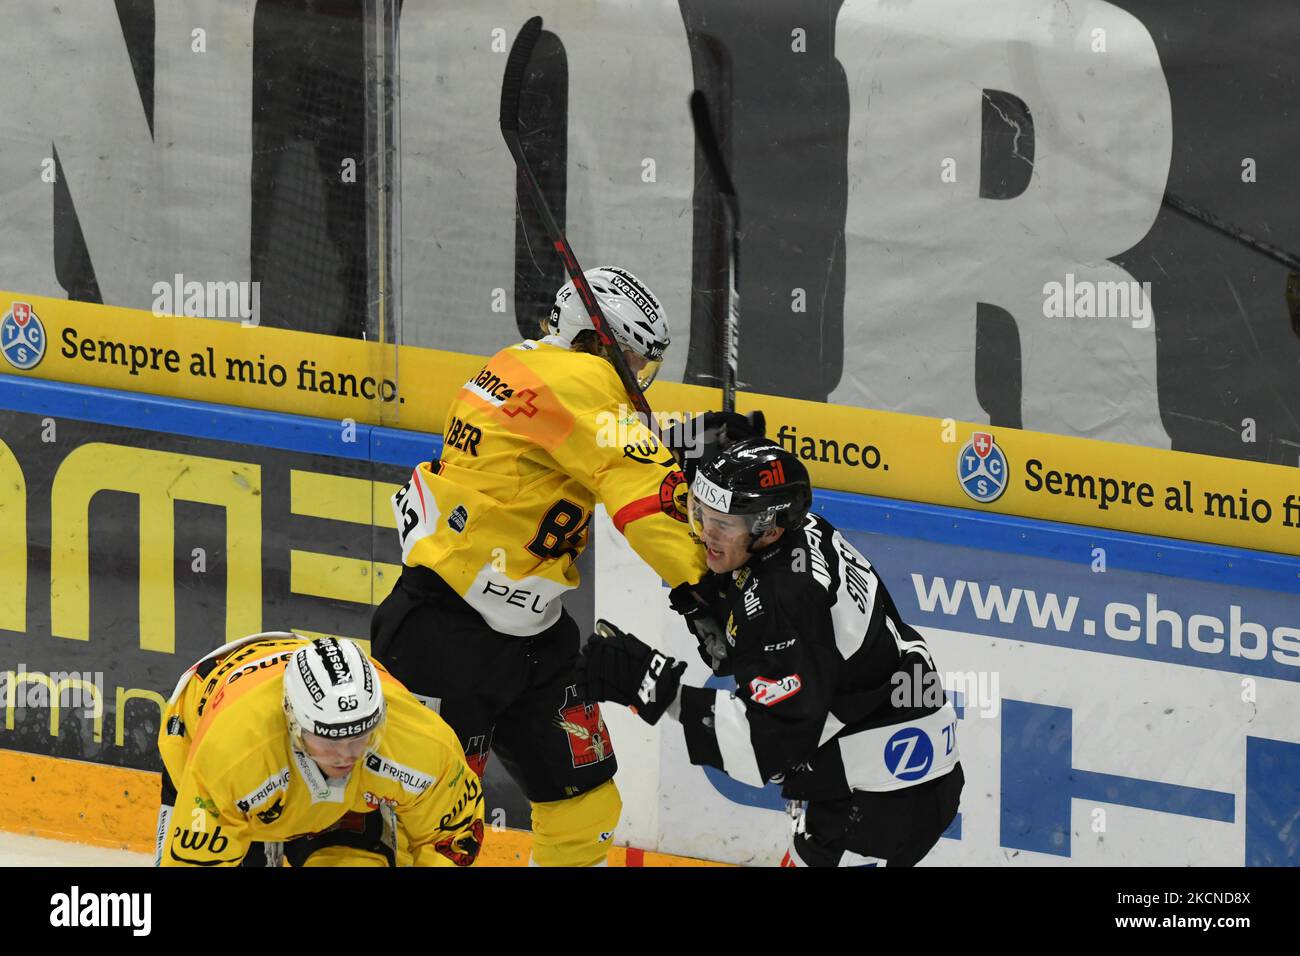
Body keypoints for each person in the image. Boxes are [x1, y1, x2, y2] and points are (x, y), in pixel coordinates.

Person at [371, 266, 753, 866]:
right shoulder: (581, 379)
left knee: (583, 807)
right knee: (427, 828)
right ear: (594, 339)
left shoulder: (524, 365)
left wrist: (677, 445)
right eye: (630, 358)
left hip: (533, 635)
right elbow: (639, 489)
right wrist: (704, 590)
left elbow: (588, 448)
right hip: (448, 636)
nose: (636, 377)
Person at [579, 438, 965, 867]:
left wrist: (654, 685)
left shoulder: (786, 600)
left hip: (883, 797)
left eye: (723, 523)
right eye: (702, 513)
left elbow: (768, 744)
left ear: (769, 528)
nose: (705, 532)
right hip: (892, 767)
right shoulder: (805, 532)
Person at [155, 632, 484, 867]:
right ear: (294, 724)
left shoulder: (420, 742)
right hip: (204, 740)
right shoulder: (231, 755)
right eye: (329, 739)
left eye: (360, 736)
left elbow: (451, 842)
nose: (345, 755)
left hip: (329, 799)